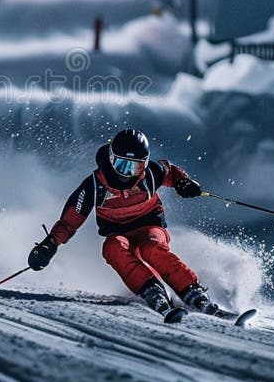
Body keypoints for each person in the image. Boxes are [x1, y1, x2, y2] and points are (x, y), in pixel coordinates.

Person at [28, 128, 216, 322]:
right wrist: (50, 244)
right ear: (111, 159)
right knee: (112, 247)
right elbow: (70, 221)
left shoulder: (150, 175)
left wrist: (184, 182)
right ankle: (151, 290)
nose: (127, 173)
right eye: (121, 165)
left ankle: (192, 291)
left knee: (151, 248)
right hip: (118, 233)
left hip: (149, 227)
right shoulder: (95, 185)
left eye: (134, 167)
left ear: (144, 164)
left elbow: (170, 171)